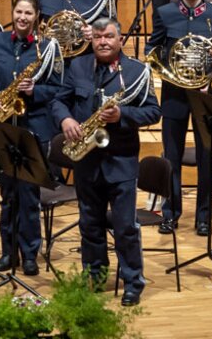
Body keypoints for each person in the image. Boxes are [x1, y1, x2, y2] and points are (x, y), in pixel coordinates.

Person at [56, 16, 159, 305]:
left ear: (120, 39)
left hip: (121, 161)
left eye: (109, 36)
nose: (102, 41)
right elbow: (59, 101)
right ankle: (96, 277)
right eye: (98, 37)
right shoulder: (77, 66)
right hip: (86, 160)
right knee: (89, 224)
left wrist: (123, 116)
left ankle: (132, 283)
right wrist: (65, 119)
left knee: (125, 227)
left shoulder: (137, 72)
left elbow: (153, 112)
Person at [148, 0, 212, 235]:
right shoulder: (165, 12)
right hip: (174, 94)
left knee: (207, 155)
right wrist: (165, 68)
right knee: (172, 155)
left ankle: (204, 216)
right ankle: (170, 212)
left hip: (206, 95)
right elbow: (153, 48)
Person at [0, 0, 63, 276]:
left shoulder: (49, 48)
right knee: (8, 194)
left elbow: (59, 89)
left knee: (28, 196)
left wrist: (35, 91)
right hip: (4, 128)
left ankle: (29, 254)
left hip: (34, 128)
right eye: (19, 12)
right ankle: (8, 252)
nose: (22, 18)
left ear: (37, 17)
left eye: (28, 13)